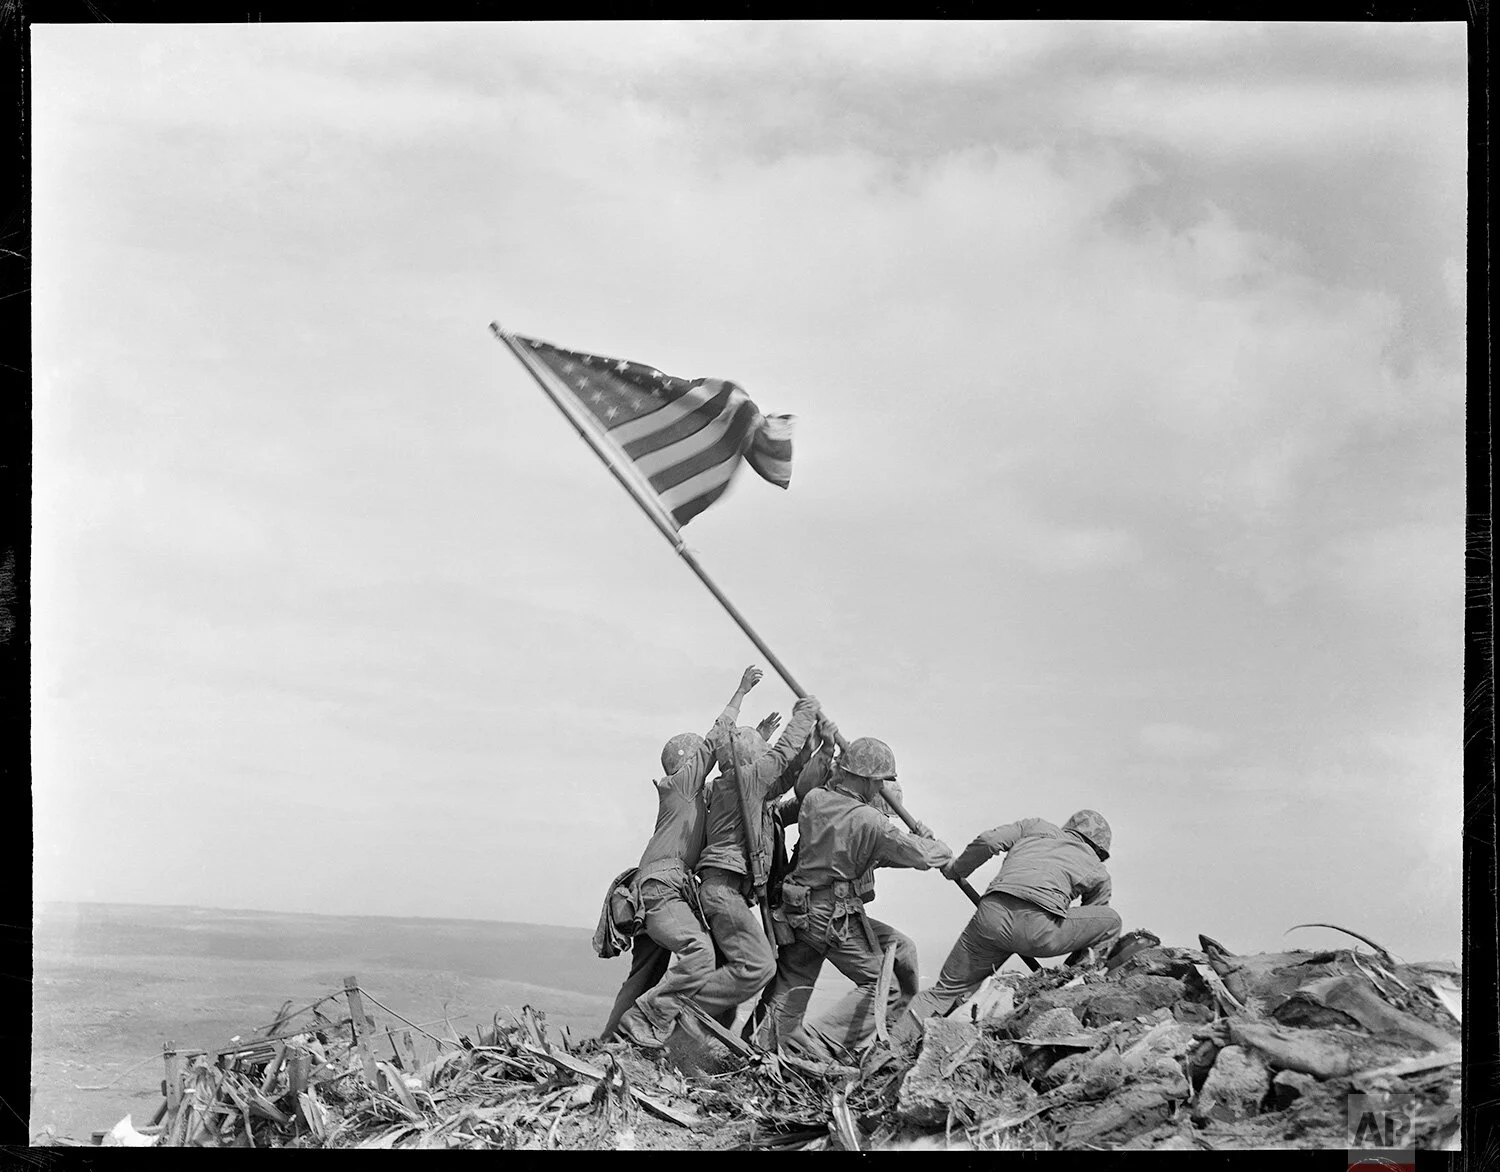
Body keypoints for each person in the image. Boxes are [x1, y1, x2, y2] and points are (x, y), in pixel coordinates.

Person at [751, 734, 953, 1058]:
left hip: (798, 910)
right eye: (879, 781)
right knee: (884, 987)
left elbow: (877, 854)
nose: (880, 788)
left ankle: (759, 1047)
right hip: (832, 917)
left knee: (792, 984)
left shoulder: (815, 800)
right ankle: (813, 1044)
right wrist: (935, 845)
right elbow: (921, 855)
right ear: (869, 780)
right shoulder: (870, 821)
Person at [606, 666, 767, 1049]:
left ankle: (611, 1041)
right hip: (661, 889)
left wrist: (758, 740)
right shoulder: (679, 786)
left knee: (645, 974)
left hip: (662, 889)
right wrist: (741, 692)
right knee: (700, 952)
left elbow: (738, 778)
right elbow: (716, 738)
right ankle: (648, 1022)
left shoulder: (693, 797)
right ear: (689, 762)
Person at [892, 810, 1121, 1044]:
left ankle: (890, 1046)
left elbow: (989, 841)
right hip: (1039, 930)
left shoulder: (1035, 827)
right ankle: (1072, 985)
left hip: (991, 918)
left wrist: (956, 870)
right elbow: (1091, 927)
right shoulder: (1098, 871)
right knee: (1111, 921)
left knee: (943, 992)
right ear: (1099, 849)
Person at [689, 689, 823, 1028]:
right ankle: (680, 1008)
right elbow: (782, 754)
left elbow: (785, 778)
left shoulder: (737, 787)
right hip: (723, 890)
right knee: (759, 966)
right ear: (751, 759)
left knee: (730, 977)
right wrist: (805, 713)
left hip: (725, 890)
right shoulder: (745, 781)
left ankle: (693, 1036)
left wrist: (812, 750)